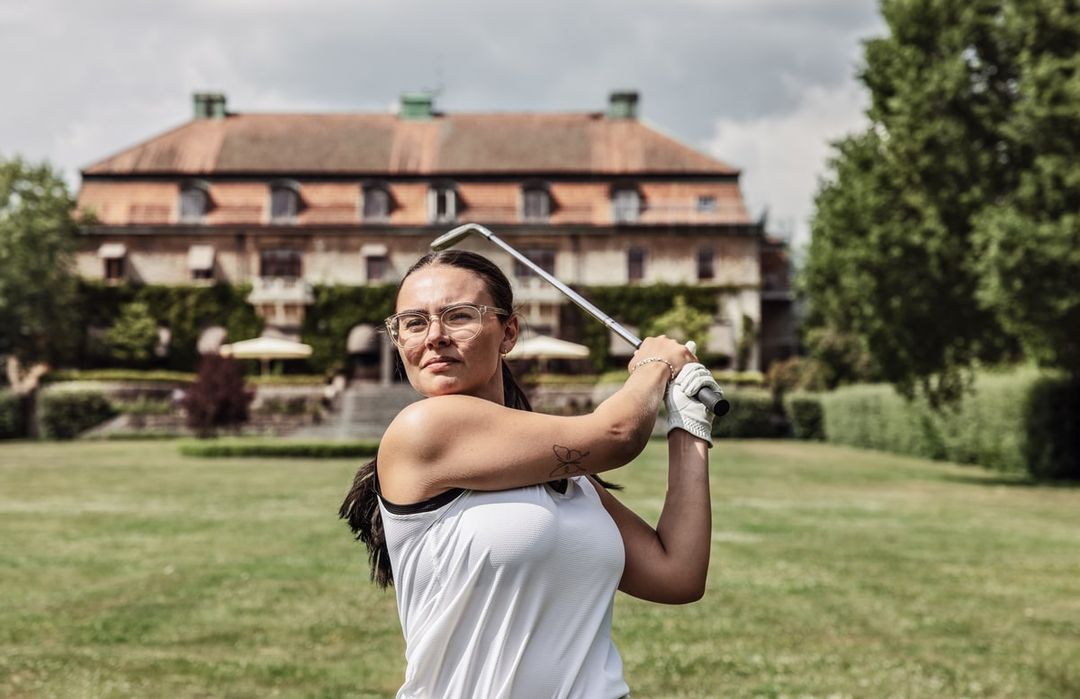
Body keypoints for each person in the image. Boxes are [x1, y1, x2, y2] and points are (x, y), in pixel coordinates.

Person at [340, 250, 720, 698]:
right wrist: (654, 364)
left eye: (458, 316)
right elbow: (617, 434)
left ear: (509, 332)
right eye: (414, 322)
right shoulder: (421, 430)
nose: (435, 336)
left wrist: (690, 425)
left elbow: (677, 575)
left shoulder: (567, 477)